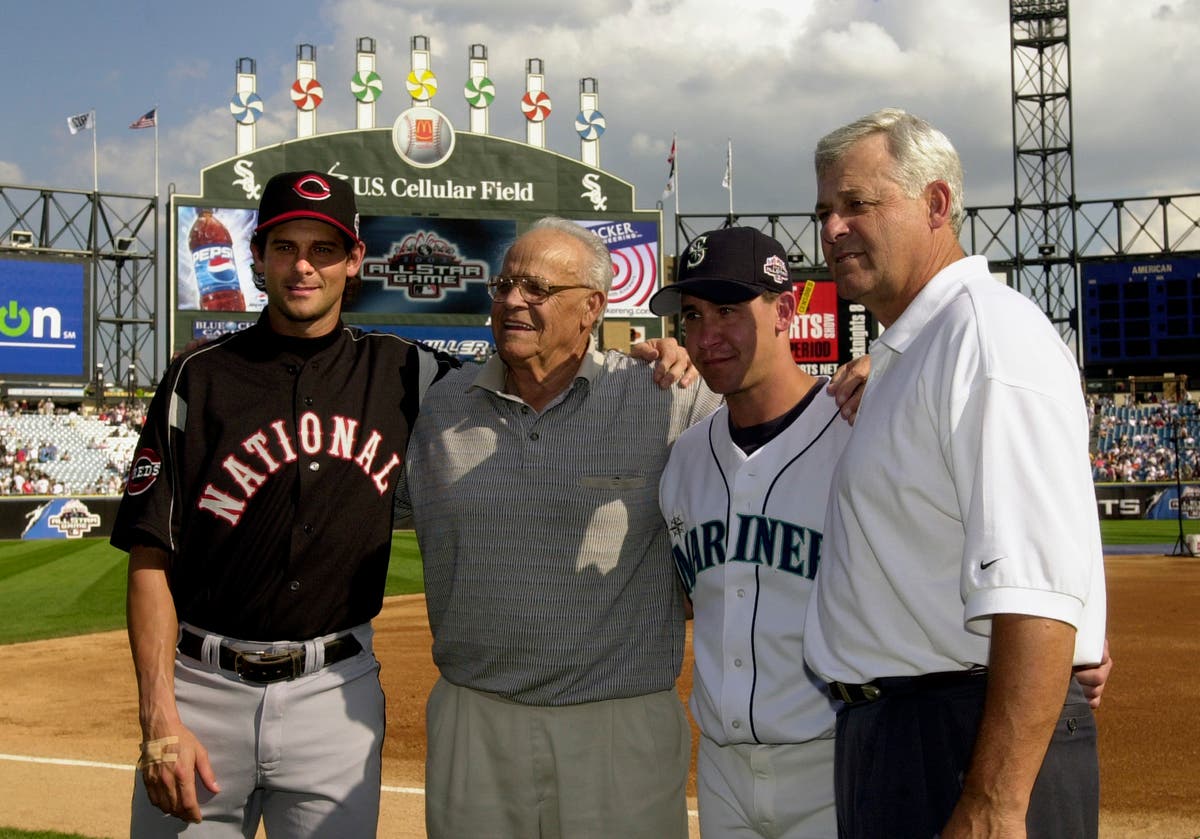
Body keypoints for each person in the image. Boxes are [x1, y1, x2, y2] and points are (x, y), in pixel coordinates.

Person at [111, 170, 459, 835]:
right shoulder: (199, 376)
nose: (303, 266)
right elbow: (150, 553)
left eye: (323, 249)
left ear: (354, 259)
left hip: (335, 696)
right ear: (259, 259)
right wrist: (159, 717)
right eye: (285, 247)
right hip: (200, 692)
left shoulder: (406, 371)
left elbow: (529, 373)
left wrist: (646, 357)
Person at [803, 108, 1108, 839]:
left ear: (936, 204)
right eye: (825, 211)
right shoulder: (923, 347)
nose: (833, 228)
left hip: (961, 738)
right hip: (907, 730)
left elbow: (1036, 586)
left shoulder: (987, 333)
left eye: (857, 204)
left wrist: (995, 804)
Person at [399, 217, 726, 839]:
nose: (512, 300)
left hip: (618, 726)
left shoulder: (665, 394)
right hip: (476, 719)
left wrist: (863, 384)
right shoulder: (440, 404)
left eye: (537, 289)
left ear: (592, 308)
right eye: (504, 285)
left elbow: (773, 436)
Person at [652, 226, 856, 838]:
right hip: (719, 769)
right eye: (691, 315)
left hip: (835, 759)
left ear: (785, 311)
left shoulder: (857, 430)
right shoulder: (685, 459)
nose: (706, 335)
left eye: (728, 311)